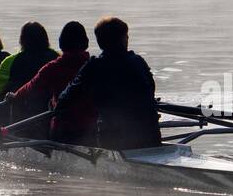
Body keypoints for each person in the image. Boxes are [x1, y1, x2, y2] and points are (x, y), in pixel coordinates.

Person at [52, 16, 162, 149]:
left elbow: (66, 99)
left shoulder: (94, 66)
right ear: (122, 40)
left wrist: (56, 107)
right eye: (126, 36)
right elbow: (151, 89)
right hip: (150, 136)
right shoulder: (138, 61)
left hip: (115, 139)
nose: (128, 39)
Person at [3, 21, 93, 139]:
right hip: (90, 128)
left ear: (61, 44)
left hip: (62, 129)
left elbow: (31, 86)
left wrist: (15, 96)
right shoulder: (95, 65)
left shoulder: (54, 67)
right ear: (86, 43)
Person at [0, 21, 57, 102]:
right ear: (46, 39)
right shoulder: (57, 57)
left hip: (21, 110)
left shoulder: (10, 61)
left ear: (22, 40)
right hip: (49, 109)